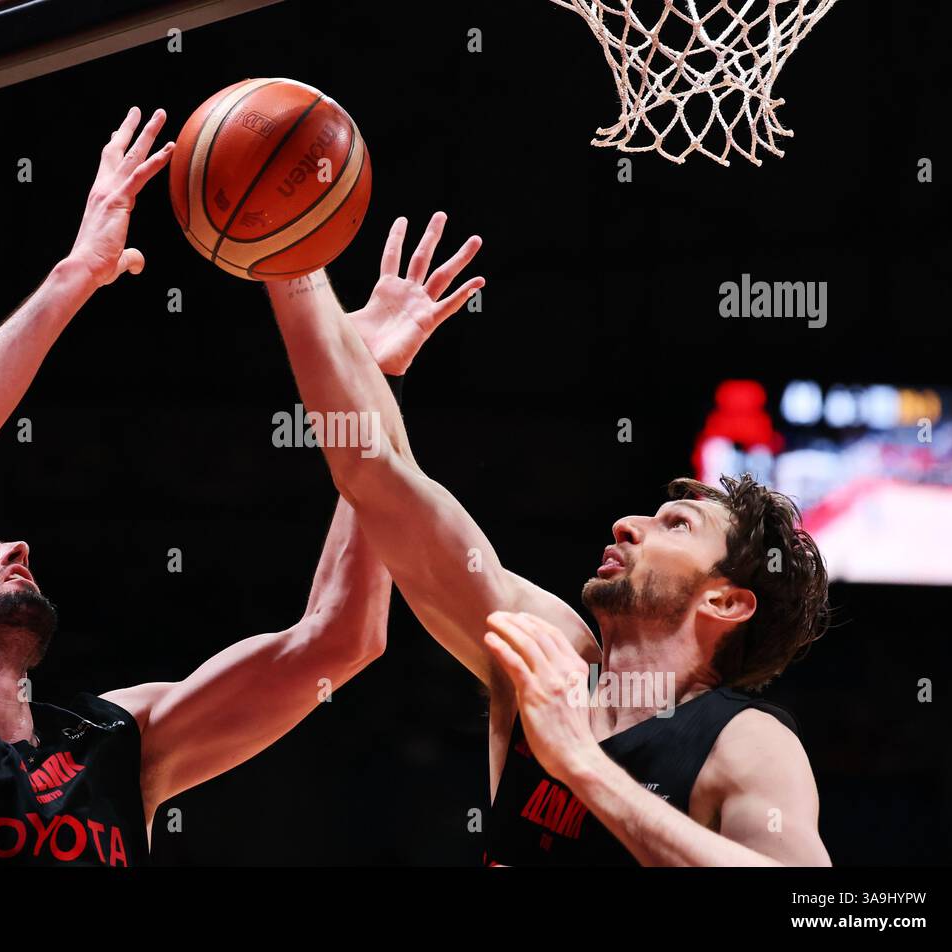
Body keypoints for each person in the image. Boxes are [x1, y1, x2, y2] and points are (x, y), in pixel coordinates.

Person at [0, 106, 421, 865]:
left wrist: (370, 384)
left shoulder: (114, 744)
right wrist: (78, 274)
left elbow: (342, 638)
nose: (15, 546)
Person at [265, 210, 832, 865]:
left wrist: (583, 767)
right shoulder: (544, 655)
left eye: (676, 524)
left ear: (726, 602)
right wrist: (318, 293)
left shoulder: (746, 741)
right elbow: (376, 477)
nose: (628, 524)